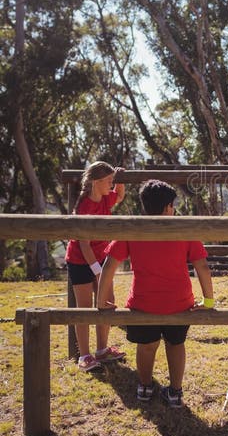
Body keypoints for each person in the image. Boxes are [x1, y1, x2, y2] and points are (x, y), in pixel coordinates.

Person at [97, 179, 214, 408]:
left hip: (143, 304)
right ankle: (175, 392)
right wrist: (208, 300)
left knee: (147, 345)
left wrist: (101, 301)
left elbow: (108, 265)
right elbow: (202, 266)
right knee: (175, 344)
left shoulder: (132, 229)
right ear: (169, 207)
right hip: (179, 303)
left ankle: (144, 386)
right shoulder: (184, 230)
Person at [65, 161, 127, 372]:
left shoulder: (105, 198)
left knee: (107, 302)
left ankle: (102, 350)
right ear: (95, 182)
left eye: (111, 181)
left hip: (101, 257)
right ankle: (84, 356)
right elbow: (83, 244)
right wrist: (98, 272)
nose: (111, 185)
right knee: (84, 308)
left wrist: (119, 180)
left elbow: (119, 196)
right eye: (108, 181)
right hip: (80, 260)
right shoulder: (84, 206)